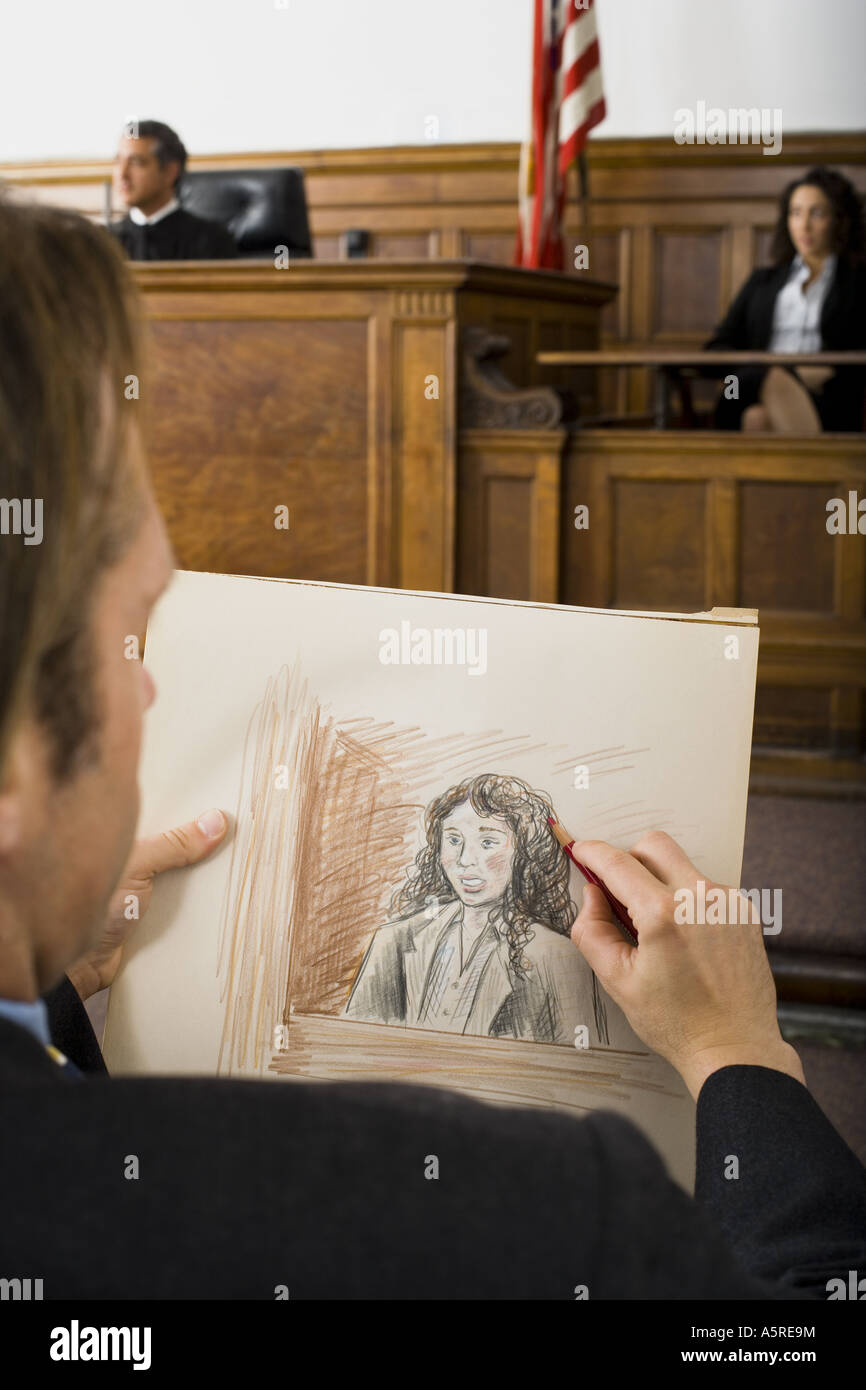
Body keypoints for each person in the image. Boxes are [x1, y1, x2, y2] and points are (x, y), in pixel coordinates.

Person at [1, 197, 865, 1299]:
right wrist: (742, 1056)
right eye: (131, 636)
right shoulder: (533, 1209)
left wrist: (46, 976)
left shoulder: (551, 966)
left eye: (486, 845)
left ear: (518, 855)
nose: (154, 684)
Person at [344, 773, 619, 1046]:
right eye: (453, 840)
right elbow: (354, 1051)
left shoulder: (556, 957)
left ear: (524, 854)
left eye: (488, 843)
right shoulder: (391, 942)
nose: (465, 860)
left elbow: (582, 1073)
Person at [706, 165, 866, 433]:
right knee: (762, 384)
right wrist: (775, 370)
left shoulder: (858, 281)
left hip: (827, 397)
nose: (804, 225)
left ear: (838, 219)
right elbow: (717, 346)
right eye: (795, 213)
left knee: (757, 419)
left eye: (817, 213)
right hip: (746, 389)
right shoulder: (762, 282)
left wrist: (824, 371)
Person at [109, 119, 238, 261]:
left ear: (170, 172)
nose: (122, 174)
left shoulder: (211, 239)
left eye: (136, 163)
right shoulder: (103, 240)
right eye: (118, 161)